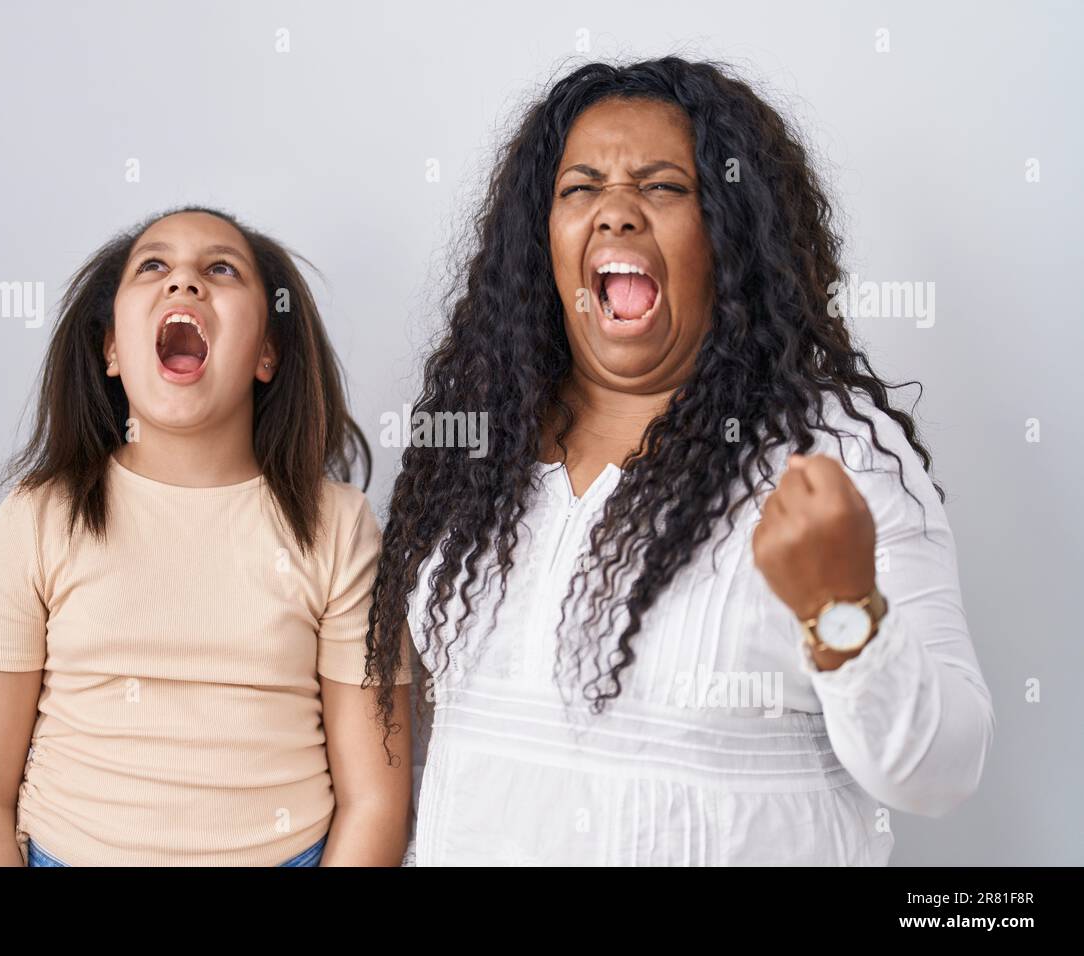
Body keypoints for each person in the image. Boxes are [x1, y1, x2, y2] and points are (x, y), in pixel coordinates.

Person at [365, 59, 994, 865]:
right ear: (541, 240)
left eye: (662, 187)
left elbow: (941, 775)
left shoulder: (828, 454)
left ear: (727, 235)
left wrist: (844, 610)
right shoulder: (475, 458)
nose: (616, 213)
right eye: (580, 188)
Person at [0, 206, 412, 866]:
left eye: (220, 268)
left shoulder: (341, 528)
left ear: (267, 353)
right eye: (153, 266)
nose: (183, 282)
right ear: (110, 349)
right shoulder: (35, 521)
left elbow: (375, 803)